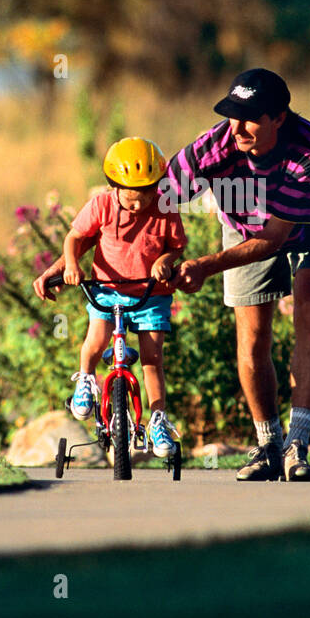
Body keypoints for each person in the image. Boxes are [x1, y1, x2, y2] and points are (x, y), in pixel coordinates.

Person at [167, 68, 310, 482]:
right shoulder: (213, 147)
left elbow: (273, 240)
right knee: (252, 334)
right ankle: (268, 444)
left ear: (279, 118)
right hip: (244, 220)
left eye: (250, 117)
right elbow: (157, 195)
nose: (237, 127)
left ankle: (296, 446)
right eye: (232, 114)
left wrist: (206, 265)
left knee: (309, 308)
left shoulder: (309, 152)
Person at [39, 137, 185, 459]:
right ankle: (86, 381)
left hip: (151, 294)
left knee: (151, 359)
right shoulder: (102, 205)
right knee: (96, 340)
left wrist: (167, 260)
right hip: (108, 290)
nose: (138, 205)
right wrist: (72, 266)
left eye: (146, 196)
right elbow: (75, 237)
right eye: (131, 199)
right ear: (114, 187)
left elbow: (177, 246)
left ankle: (158, 418)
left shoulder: (165, 207)